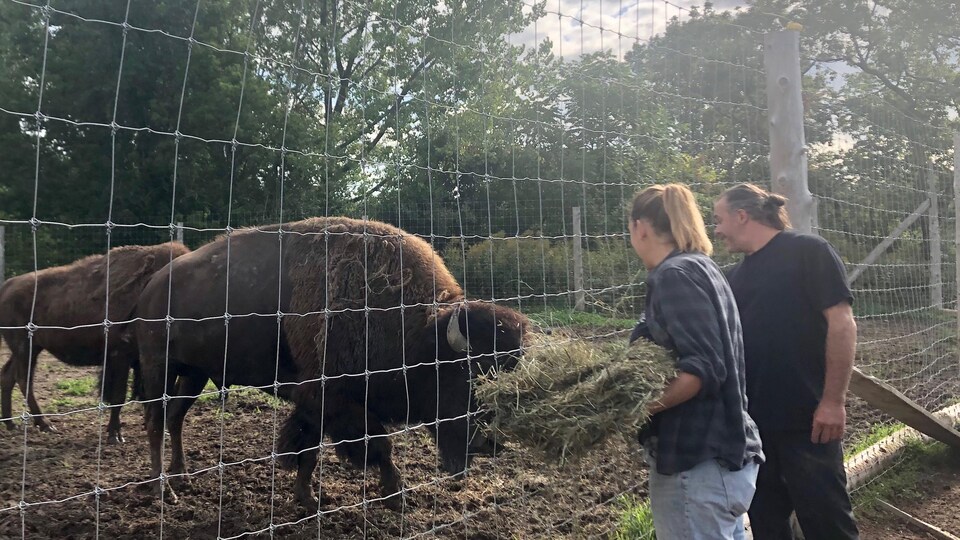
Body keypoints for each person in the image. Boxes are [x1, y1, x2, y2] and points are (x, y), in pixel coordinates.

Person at [713, 183, 860, 539]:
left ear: (742, 216)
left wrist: (833, 401)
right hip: (755, 428)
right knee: (767, 524)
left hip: (808, 420)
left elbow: (842, 324)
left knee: (828, 521)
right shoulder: (734, 277)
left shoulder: (809, 251)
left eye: (718, 220)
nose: (716, 229)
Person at [627, 183, 763, 540]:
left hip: (697, 461)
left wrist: (637, 408)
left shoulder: (675, 276)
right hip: (721, 458)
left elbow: (702, 369)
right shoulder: (700, 266)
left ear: (640, 226)